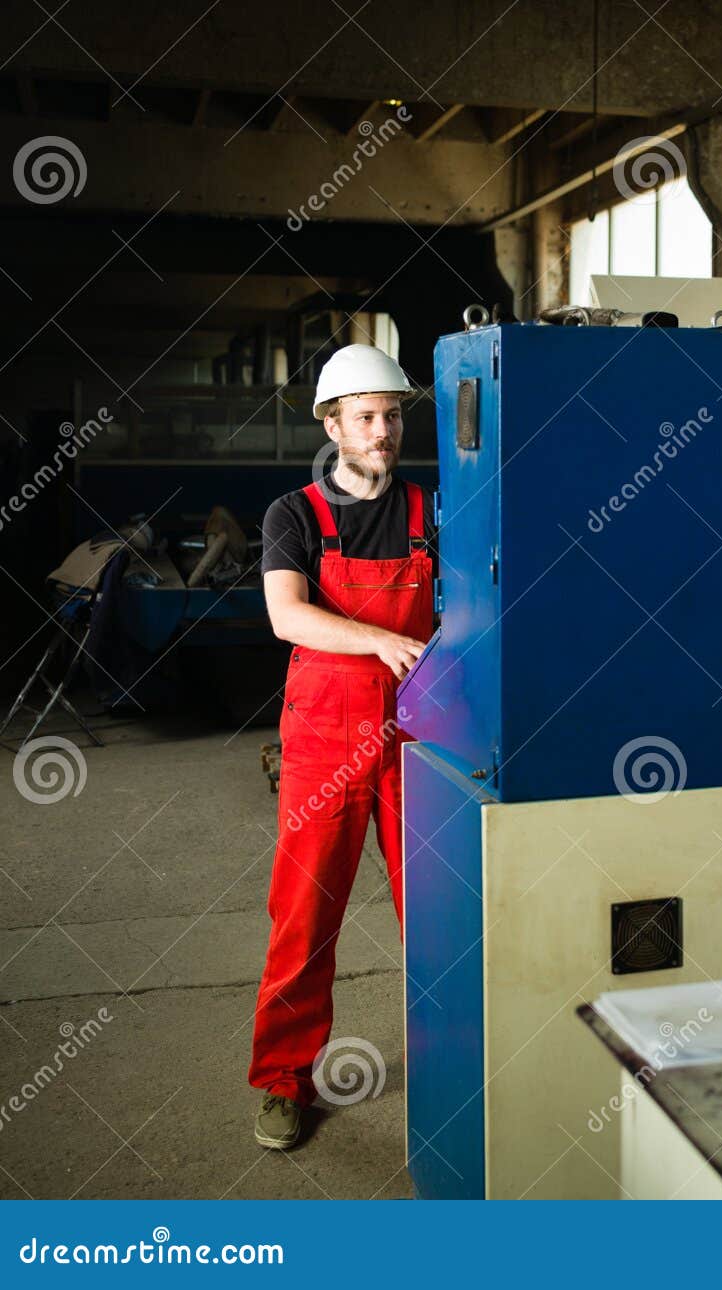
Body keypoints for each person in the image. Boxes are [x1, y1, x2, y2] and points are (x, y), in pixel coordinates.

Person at [248, 344, 434, 1149]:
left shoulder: (434, 509)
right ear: (332, 424)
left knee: (439, 910)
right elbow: (287, 617)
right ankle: (284, 1081)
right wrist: (377, 640)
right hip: (327, 738)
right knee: (304, 914)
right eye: (365, 416)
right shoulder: (294, 515)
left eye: (392, 414)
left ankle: (459, 1062)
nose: (383, 430)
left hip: (421, 735)